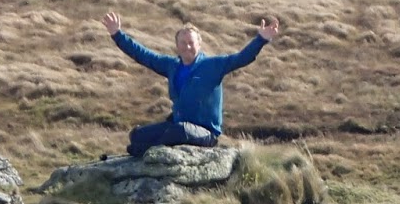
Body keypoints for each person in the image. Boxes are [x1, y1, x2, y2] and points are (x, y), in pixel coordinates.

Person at [102, 11, 279, 157]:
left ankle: (143, 152)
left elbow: (242, 58)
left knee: (178, 131)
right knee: (137, 135)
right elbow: (143, 55)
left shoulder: (213, 65)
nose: (187, 47)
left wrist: (260, 40)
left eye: (191, 43)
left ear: (199, 44)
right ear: (177, 46)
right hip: (177, 127)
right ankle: (141, 148)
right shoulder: (171, 66)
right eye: (183, 43)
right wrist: (118, 35)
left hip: (206, 133)